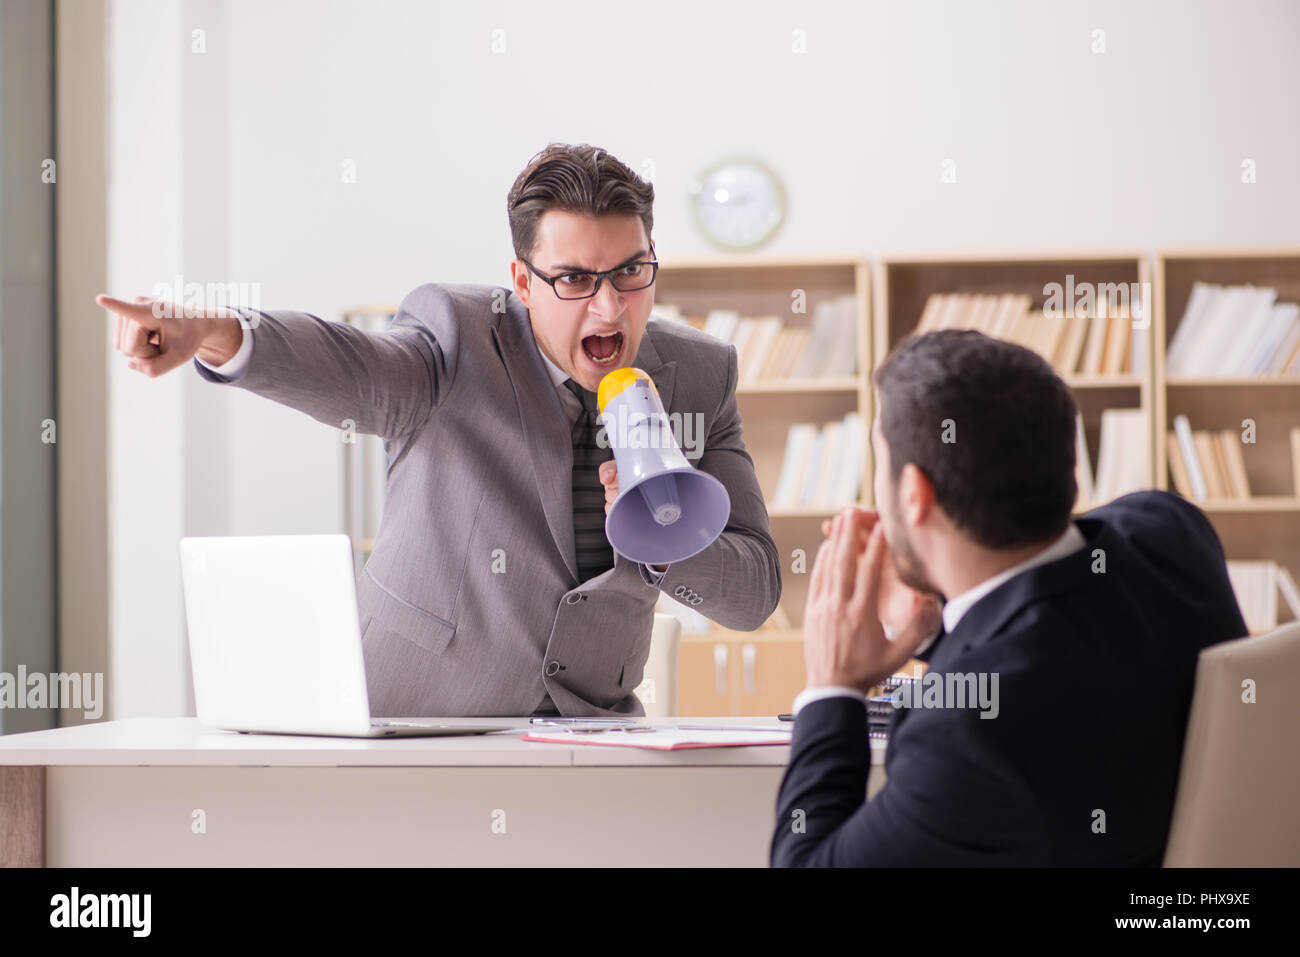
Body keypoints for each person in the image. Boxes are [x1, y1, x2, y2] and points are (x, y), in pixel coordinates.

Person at [97, 143, 781, 718]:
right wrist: (219, 334)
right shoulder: (456, 339)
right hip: (410, 725)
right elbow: (349, 366)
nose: (609, 307)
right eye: (574, 278)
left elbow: (753, 594)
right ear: (522, 280)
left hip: (589, 743)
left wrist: (665, 540)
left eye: (630, 271)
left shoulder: (698, 372)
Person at [772, 329, 1247, 866]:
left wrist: (833, 687)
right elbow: (1059, 624)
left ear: (914, 495)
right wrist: (935, 629)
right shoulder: (1169, 531)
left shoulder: (967, 739)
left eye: (879, 464)